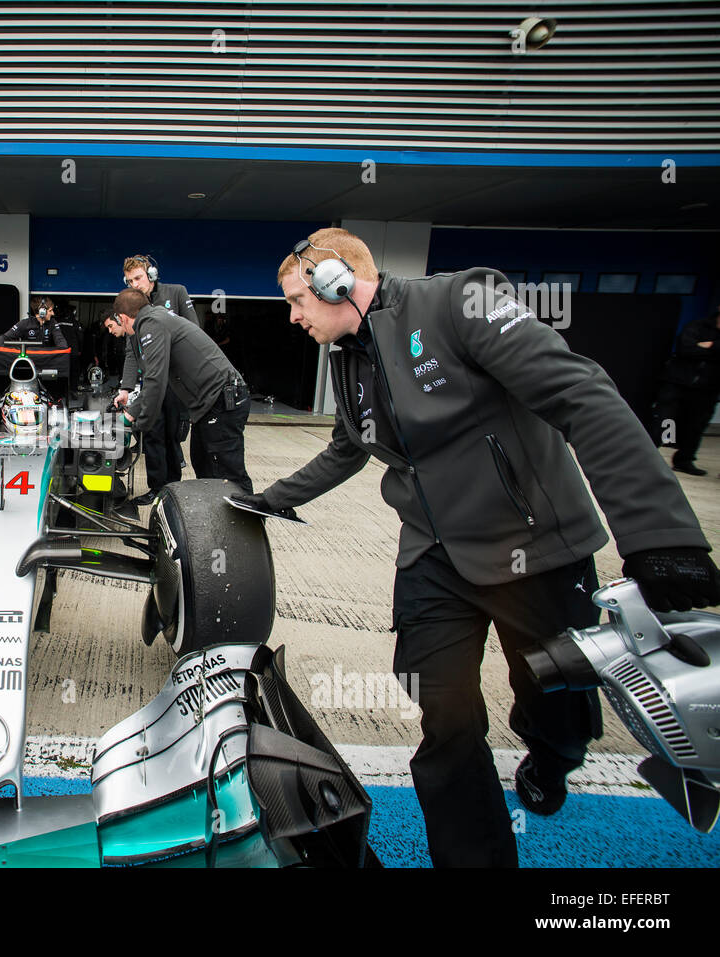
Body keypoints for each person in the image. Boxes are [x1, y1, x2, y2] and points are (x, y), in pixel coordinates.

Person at [230, 227, 720, 867]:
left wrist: (661, 536)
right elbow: (348, 449)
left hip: (535, 551)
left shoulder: (463, 302)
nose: (292, 317)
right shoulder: (347, 360)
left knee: (555, 703)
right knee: (446, 722)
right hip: (433, 558)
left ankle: (554, 756)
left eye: (298, 299)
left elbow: (583, 393)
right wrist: (272, 498)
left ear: (338, 282)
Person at [108, 287, 251, 494]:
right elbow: (155, 379)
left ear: (123, 317)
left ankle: (246, 522)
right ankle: (219, 519)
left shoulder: (151, 323)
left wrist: (135, 423)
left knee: (227, 473)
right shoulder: (156, 317)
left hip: (222, 399)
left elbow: (155, 379)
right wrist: (133, 414)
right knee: (204, 465)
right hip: (209, 405)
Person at [115, 255, 200, 503]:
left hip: (175, 382)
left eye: (139, 278)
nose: (135, 284)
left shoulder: (176, 293)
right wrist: (125, 388)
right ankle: (156, 488)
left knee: (172, 436)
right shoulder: (133, 306)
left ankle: (173, 490)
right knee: (151, 434)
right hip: (151, 381)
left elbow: (193, 332)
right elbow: (132, 352)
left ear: (151, 274)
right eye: (130, 280)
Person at [652, 305, 720, 475]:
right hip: (678, 383)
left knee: (695, 426)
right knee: (665, 421)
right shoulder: (698, 326)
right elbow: (686, 348)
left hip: (707, 388)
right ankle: (646, 456)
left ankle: (684, 460)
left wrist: (710, 345)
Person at [0, 296, 68, 349]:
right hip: (29, 362)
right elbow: (4, 337)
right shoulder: (25, 323)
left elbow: (60, 341)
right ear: (42, 311)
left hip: (47, 361)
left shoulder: (53, 323)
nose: (53, 313)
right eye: (50, 310)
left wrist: (62, 349)